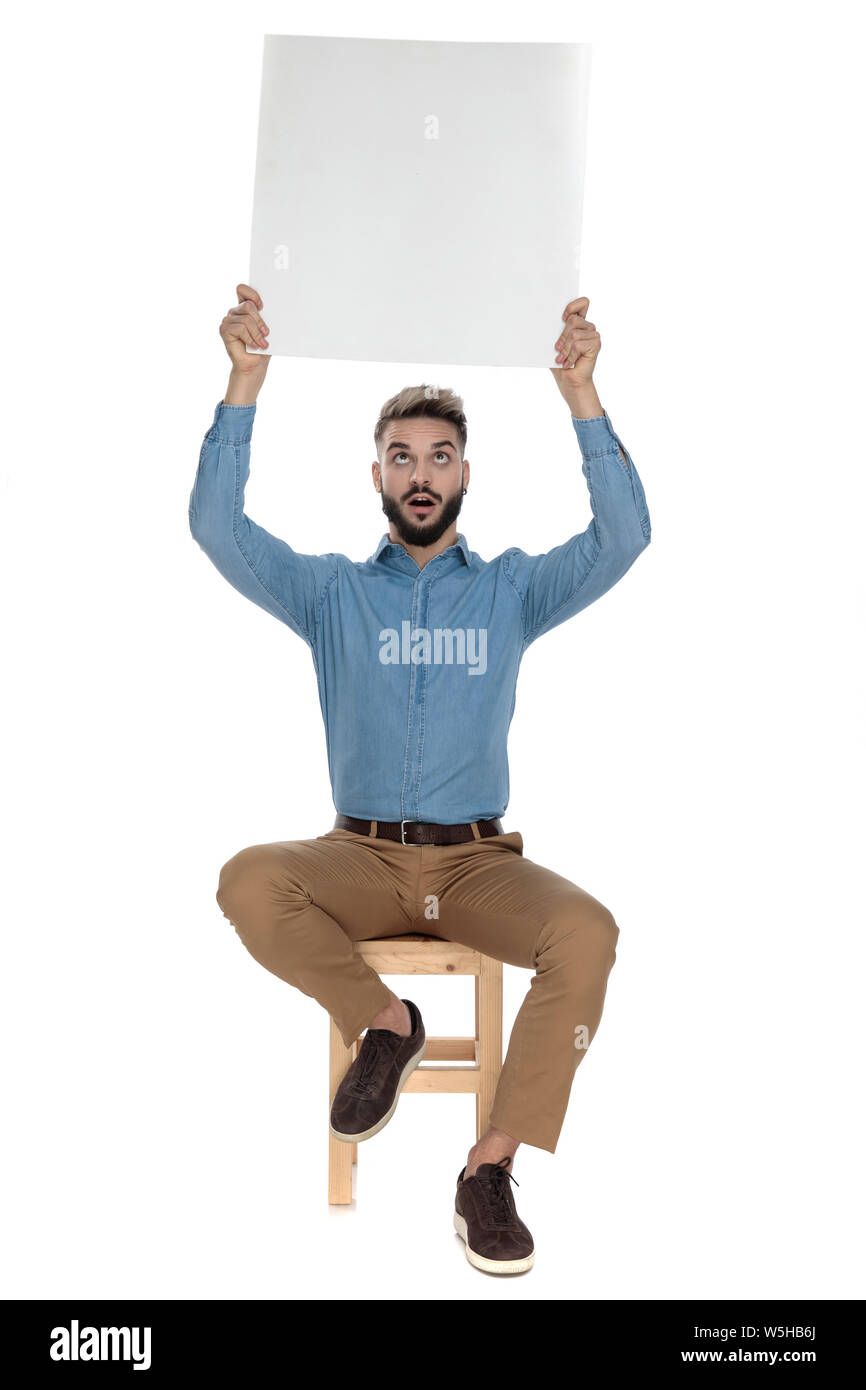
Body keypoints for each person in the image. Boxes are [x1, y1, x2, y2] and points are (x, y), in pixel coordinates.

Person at [189, 283, 652, 1276]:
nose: (420, 472)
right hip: (355, 856)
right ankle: (384, 1023)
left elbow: (623, 539)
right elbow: (218, 530)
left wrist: (580, 392)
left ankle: (487, 1166)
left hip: (475, 864)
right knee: (247, 878)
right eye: (402, 455)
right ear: (376, 473)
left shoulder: (510, 590)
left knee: (587, 931)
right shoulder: (330, 593)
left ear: (464, 471)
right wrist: (243, 386)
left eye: (438, 454)